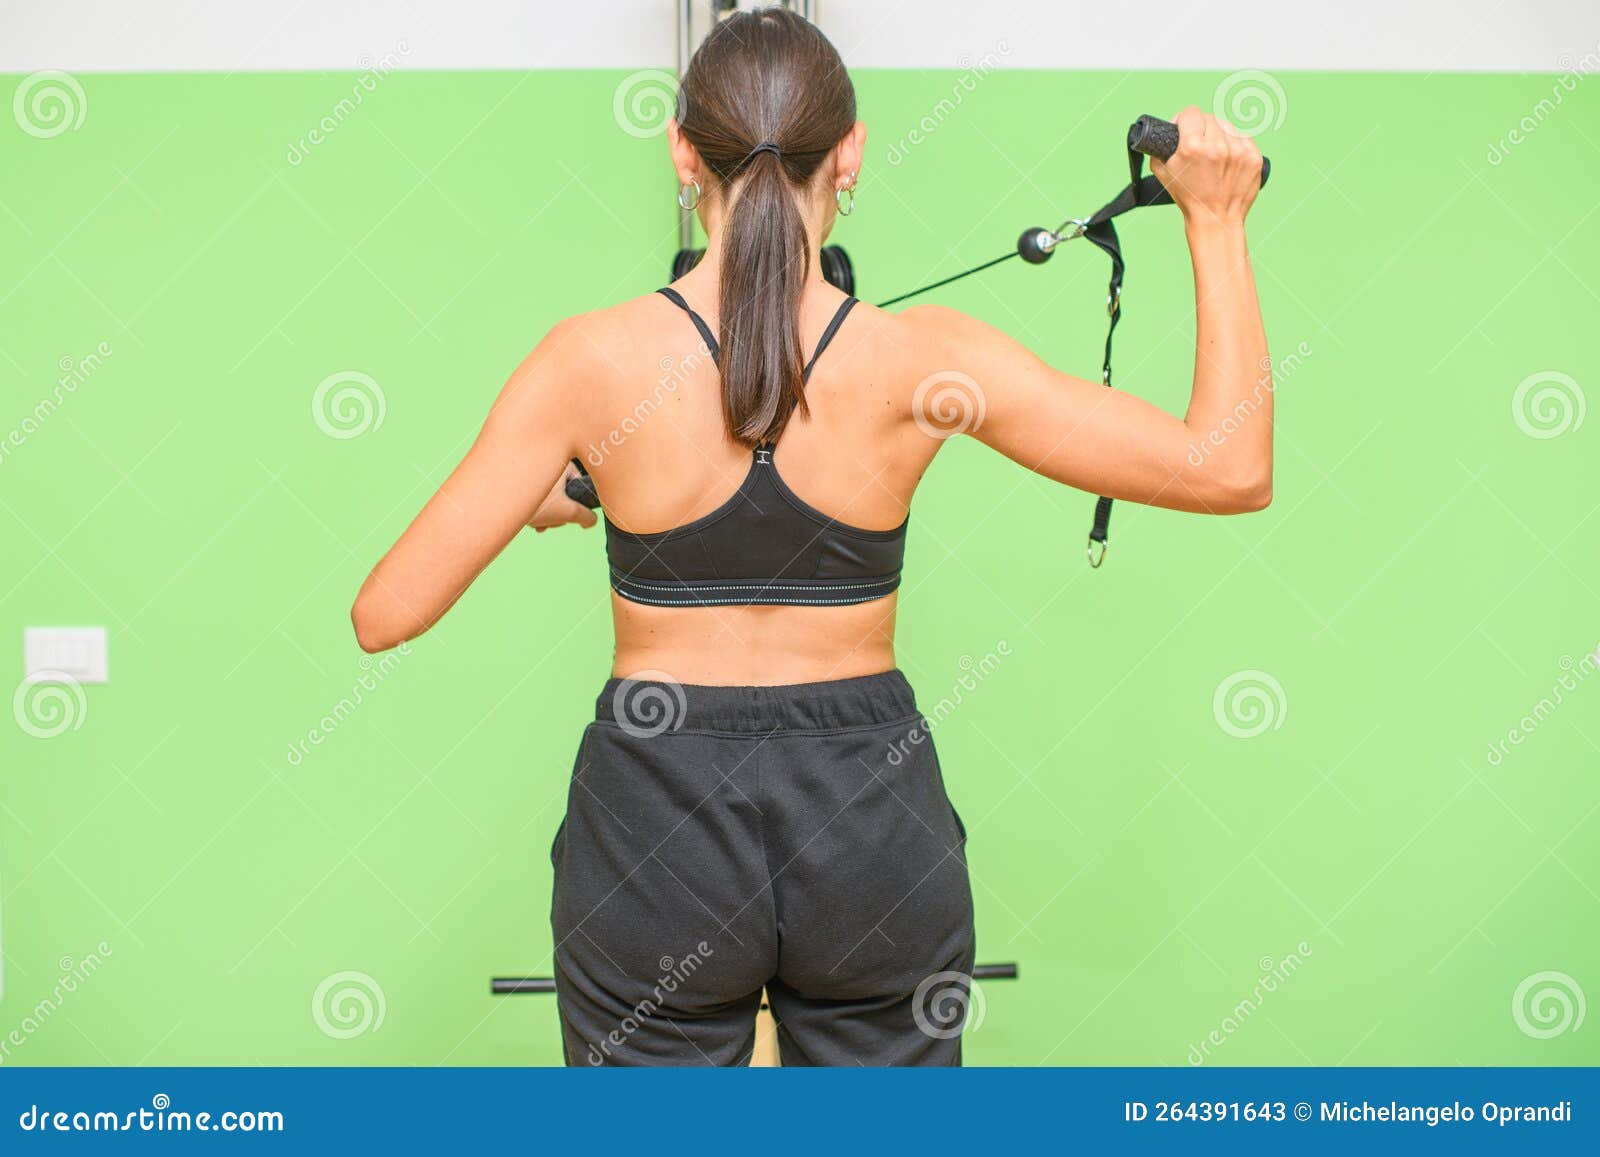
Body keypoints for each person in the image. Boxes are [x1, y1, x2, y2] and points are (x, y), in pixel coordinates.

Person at [351, 7, 1270, 1066]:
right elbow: (1228, 467)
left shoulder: (587, 362)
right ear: (852, 154)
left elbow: (386, 612)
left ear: (682, 153)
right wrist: (1216, 222)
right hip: (867, 820)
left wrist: (540, 490)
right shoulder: (923, 358)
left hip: (656, 819)